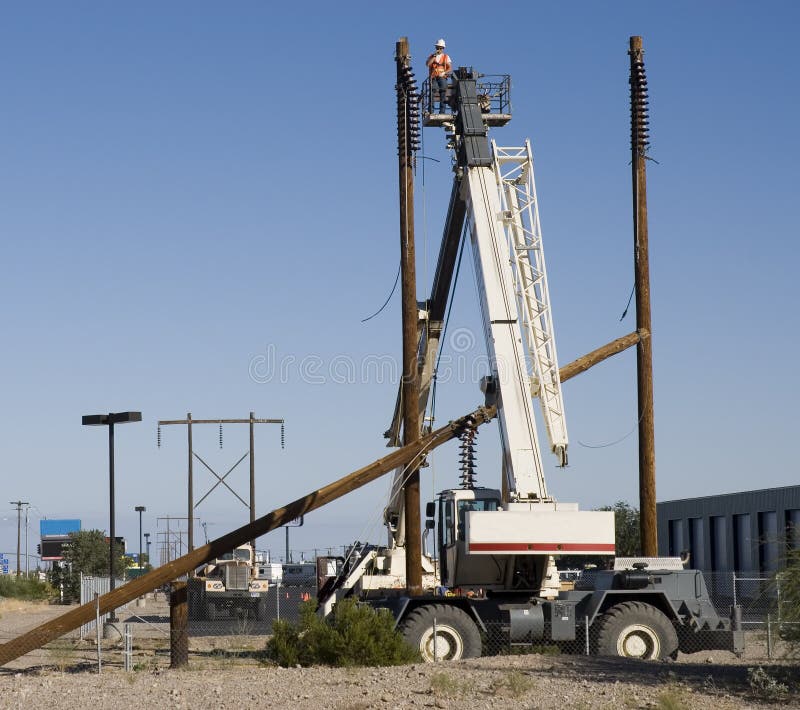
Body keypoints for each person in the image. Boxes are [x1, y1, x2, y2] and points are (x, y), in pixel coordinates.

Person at [426, 38, 452, 113]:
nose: (439, 49)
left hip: (442, 77)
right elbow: (428, 64)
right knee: (432, 90)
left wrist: (444, 72)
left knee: (443, 91)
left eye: (440, 48)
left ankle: (442, 111)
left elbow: (450, 68)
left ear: (443, 48)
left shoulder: (446, 57)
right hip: (434, 77)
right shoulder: (432, 56)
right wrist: (434, 57)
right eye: (438, 47)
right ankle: (431, 110)